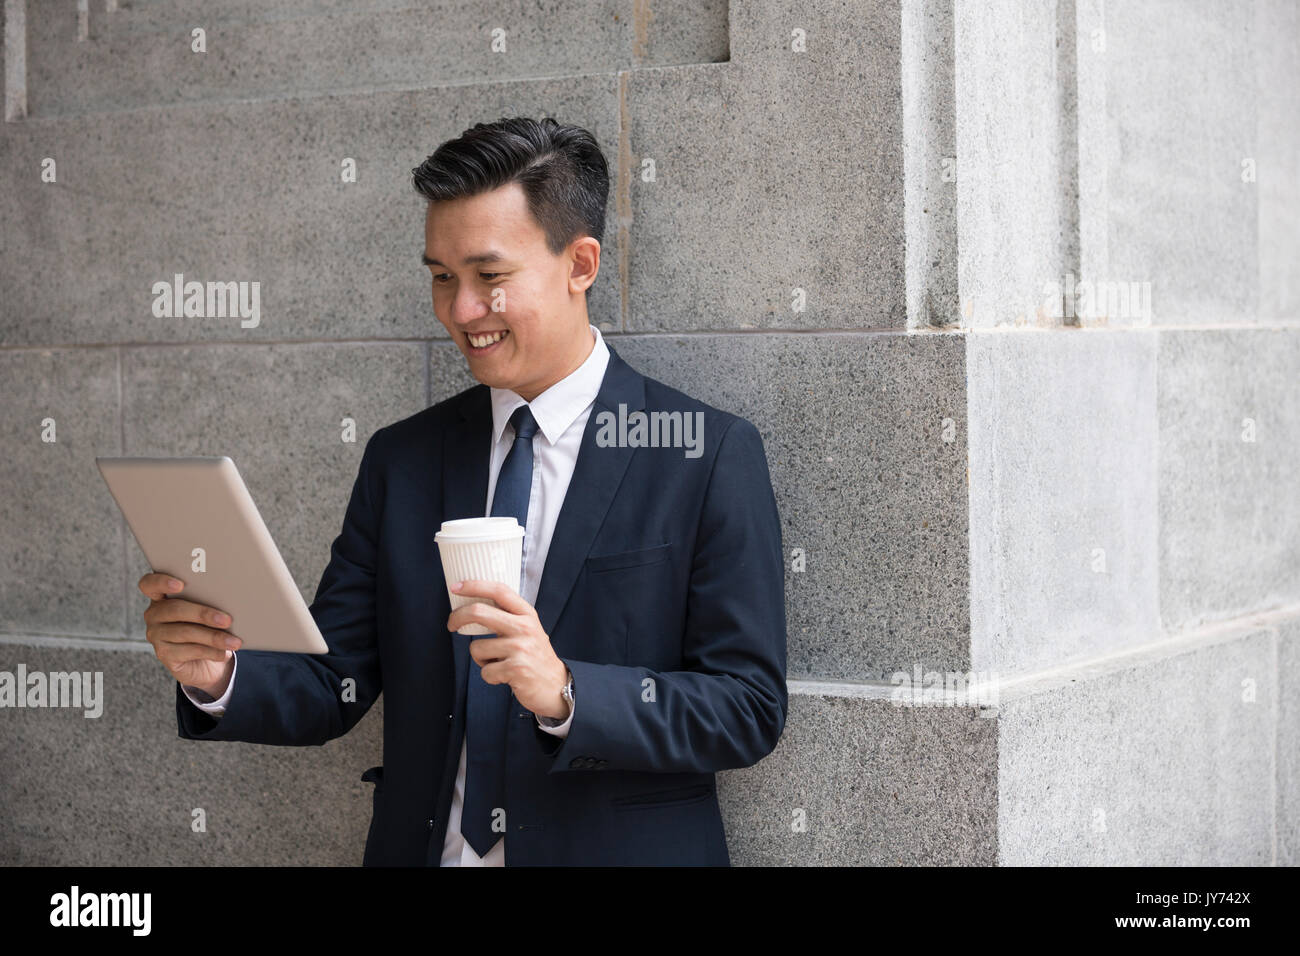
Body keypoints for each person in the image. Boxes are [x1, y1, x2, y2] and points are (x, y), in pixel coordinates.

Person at [141, 116, 788, 866]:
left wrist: (570, 692)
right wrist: (217, 674)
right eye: (442, 278)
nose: (460, 312)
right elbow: (332, 681)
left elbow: (747, 707)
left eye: (490, 277)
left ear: (581, 264)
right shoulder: (402, 459)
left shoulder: (704, 454)